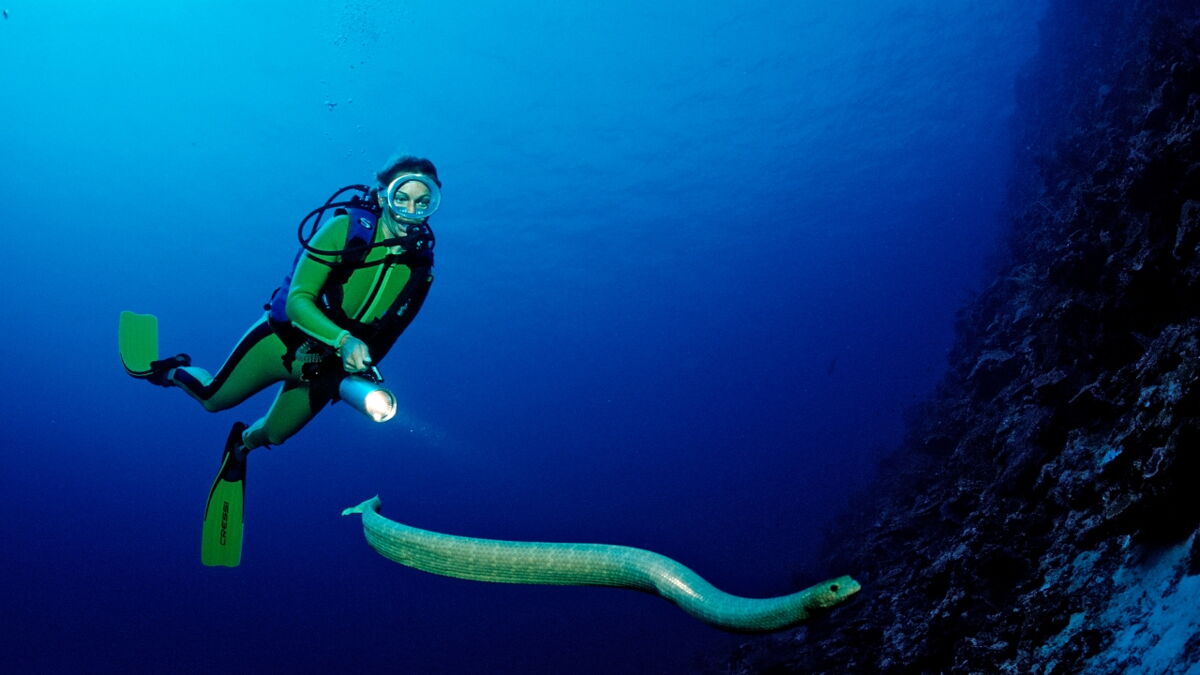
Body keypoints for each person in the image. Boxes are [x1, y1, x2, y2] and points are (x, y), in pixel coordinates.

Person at [118, 154, 441, 566]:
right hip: (282, 344)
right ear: (384, 195)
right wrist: (342, 339)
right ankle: (166, 370)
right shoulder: (346, 229)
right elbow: (298, 299)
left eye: (423, 201)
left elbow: (391, 330)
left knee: (274, 436)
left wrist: (365, 369)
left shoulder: (422, 266)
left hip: (326, 370)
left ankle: (239, 447)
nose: (411, 211)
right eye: (402, 197)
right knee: (215, 399)